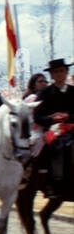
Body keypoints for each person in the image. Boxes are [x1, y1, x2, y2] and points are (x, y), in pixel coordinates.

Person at [33, 58, 74, 193]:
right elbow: (37, 116)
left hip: (71, 126)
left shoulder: (73, 91)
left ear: (66, 72)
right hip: (52, 129)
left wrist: (68, 116)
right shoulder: (44, 93)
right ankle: (57, 181)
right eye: (56, 72)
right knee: (61, 145)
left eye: (62, 71)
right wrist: (52, 119)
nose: (59, 74)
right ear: (51, 75)